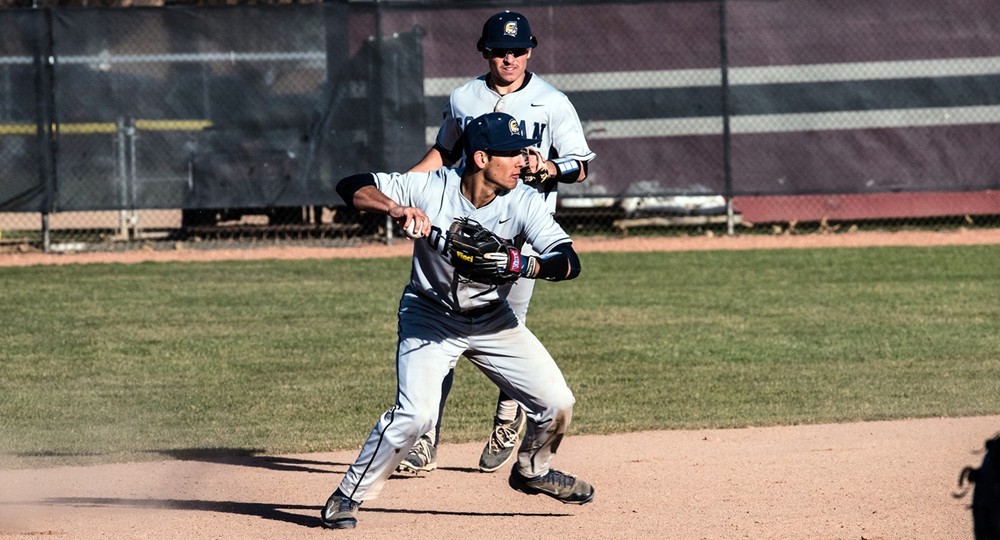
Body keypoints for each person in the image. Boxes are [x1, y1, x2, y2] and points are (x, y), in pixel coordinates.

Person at [320, 112, 594, 530]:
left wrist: (520, 263)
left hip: (492, 320)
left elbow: (568, 262)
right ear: (481, 157)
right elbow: (351, 186)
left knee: (557, 403)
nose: (524, 161)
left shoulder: (523, 200)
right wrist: (396, 208)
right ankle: (348, 495)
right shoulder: (431, 186)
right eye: (512, 154)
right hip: (429, 316)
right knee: (413, 416)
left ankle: (532, 471)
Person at [399, 9, 596, 476]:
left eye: (518, 50)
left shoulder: (552, 102)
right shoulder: (465, 97)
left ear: (530, 50)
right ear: (486, 53)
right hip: (462, 230)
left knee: (511, 333)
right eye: (500, 51)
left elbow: (581, 164)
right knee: (440, 326)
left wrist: (546, 169)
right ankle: (425, 439)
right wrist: (400, 190)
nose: (510, 58)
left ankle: (507, 420)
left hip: (523, 237)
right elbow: (444, 152)